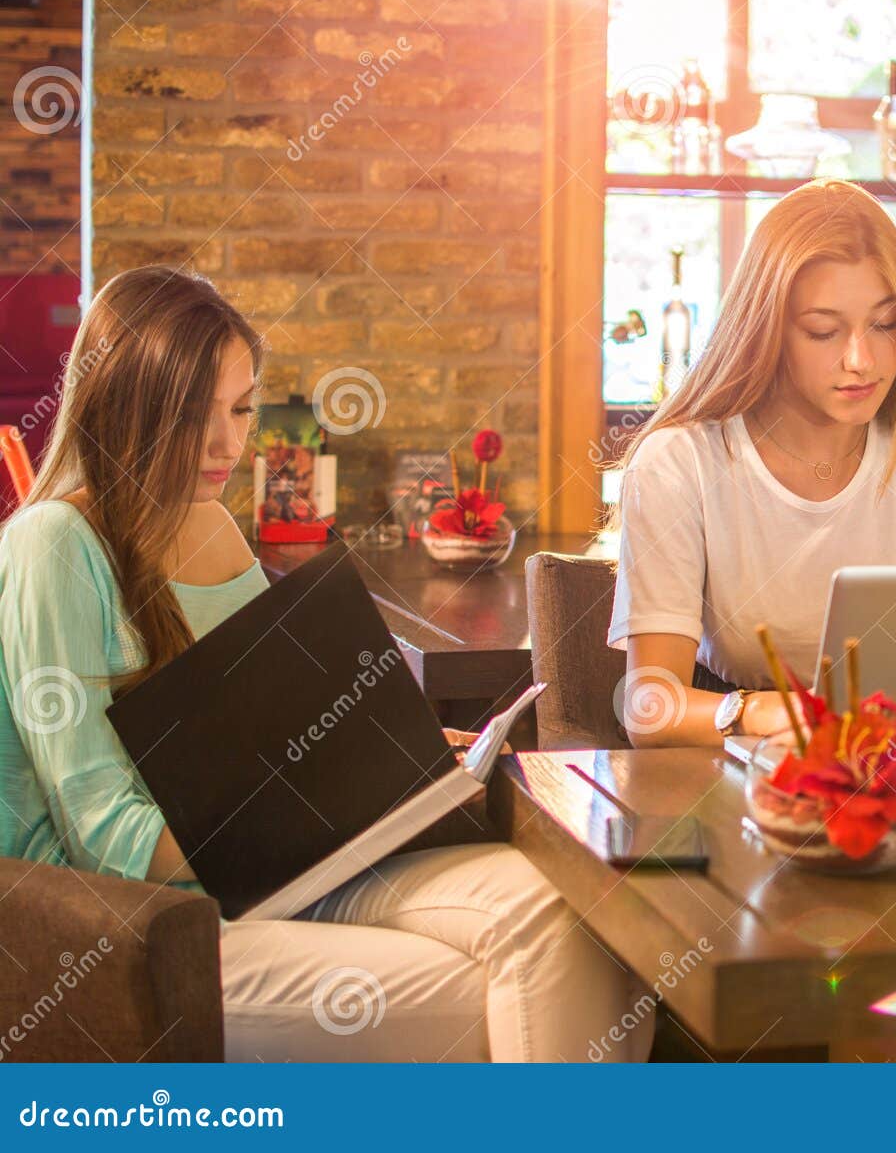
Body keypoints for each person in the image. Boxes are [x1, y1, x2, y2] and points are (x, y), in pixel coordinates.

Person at [0, 265, 651, 1062]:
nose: (228, 445)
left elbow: (267, 737)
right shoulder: (53, 546)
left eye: (240, 410)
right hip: (138, 921)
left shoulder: (211, 529)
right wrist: (318, 809)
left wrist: (385, 763)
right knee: (494, 992)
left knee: (582, 917)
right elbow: (102, 835)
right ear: (124, 408)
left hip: (288, 868)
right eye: (191, 417)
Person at [608, 179, 896, 748]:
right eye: (823, 331)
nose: (861, 361)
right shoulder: (681, 462)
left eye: (885, 325)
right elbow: (650, 710)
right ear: (766, 330)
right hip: (732, 779)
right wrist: (765, 715)